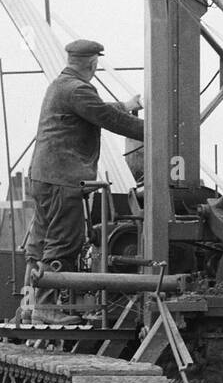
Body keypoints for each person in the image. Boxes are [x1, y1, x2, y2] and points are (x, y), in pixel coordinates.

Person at [23, 38, 145, 316]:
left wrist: (125, 105)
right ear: (93, 63)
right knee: (63, 242)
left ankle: (31, 305)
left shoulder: (61, 85)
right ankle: (47, 308)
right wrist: (159, 130)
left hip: (45, 176)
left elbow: (95, 109)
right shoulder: (77, 89)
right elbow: (107, 118)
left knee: (40, 242)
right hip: (63, 179)